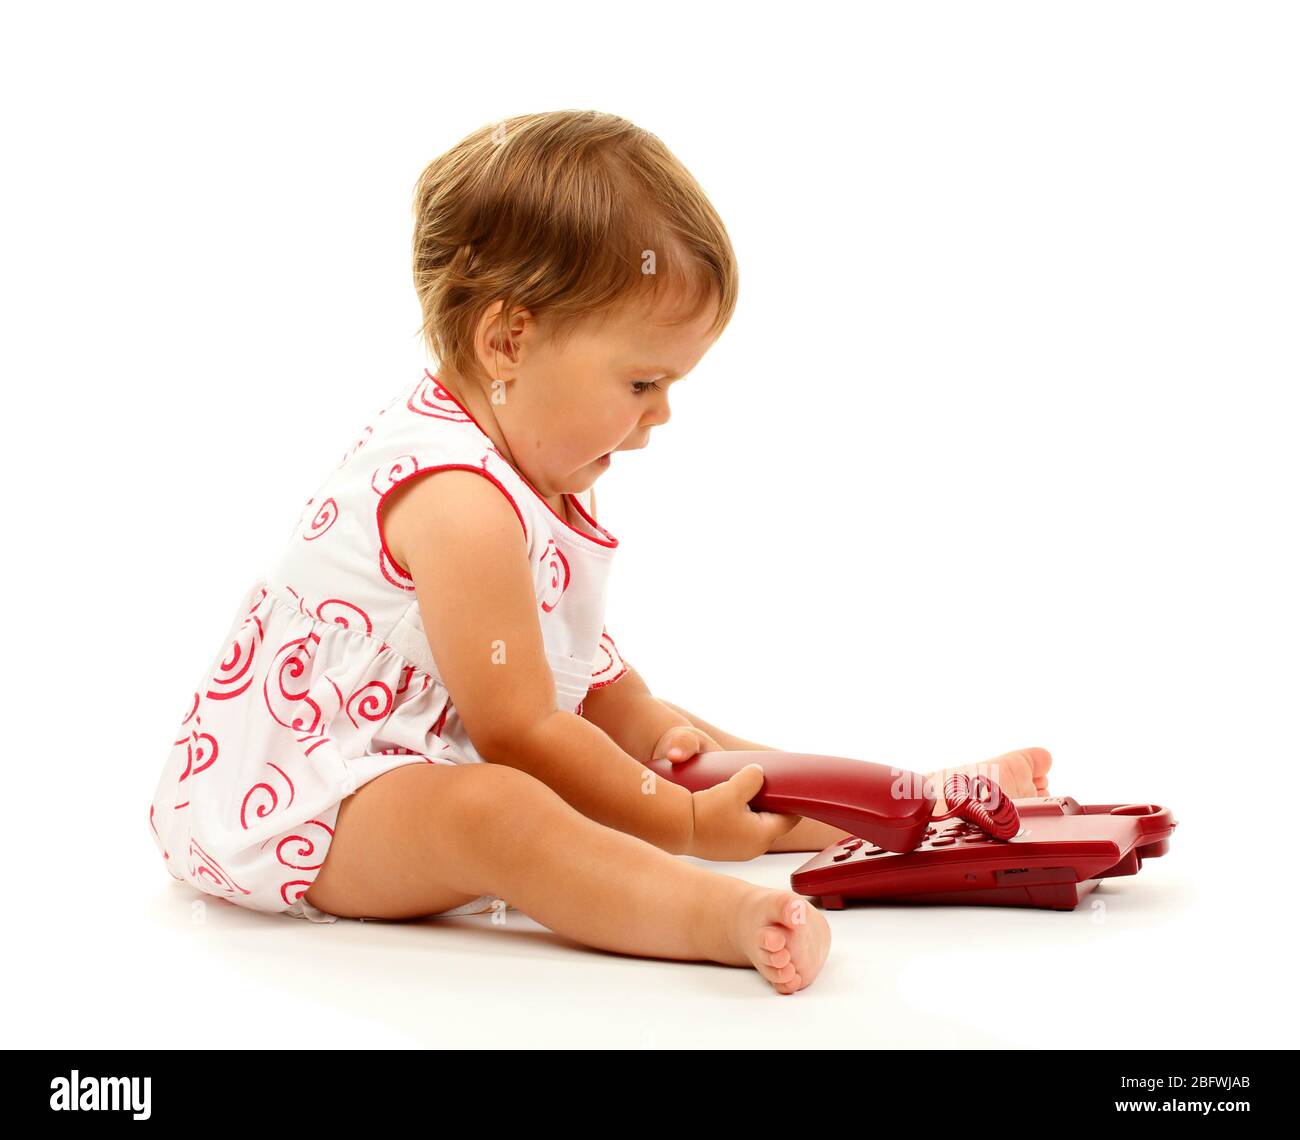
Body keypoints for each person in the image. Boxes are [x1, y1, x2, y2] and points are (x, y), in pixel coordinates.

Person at [148, 109, 1050, 995]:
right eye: (642, 381)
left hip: (413, 762)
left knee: (685, 751)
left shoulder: (537, 465)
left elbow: (588, 683)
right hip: (308, 805)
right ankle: (712, 918)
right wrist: (682, 823)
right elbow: (520, 731)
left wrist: (672, 762)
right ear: (507, 340)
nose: (661, 412)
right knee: (499, 815)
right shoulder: (458, 500)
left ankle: (913, 799)